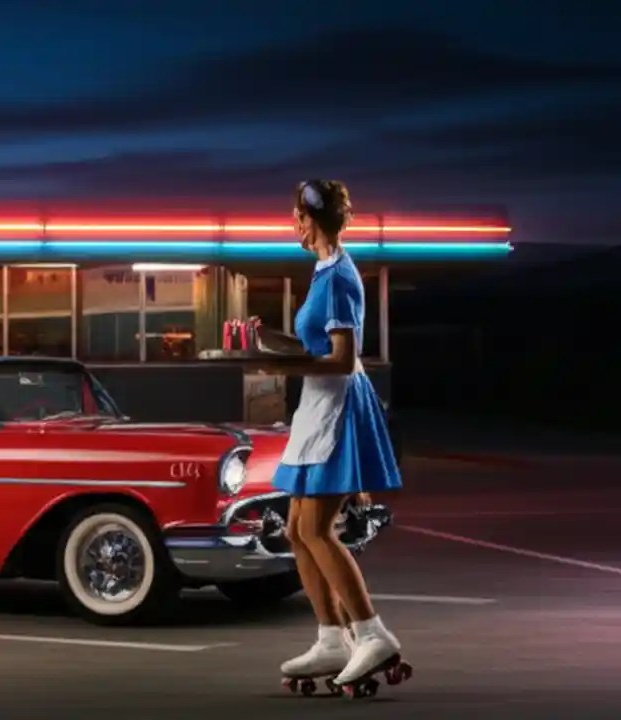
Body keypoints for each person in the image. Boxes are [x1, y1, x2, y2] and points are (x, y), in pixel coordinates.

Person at [246, 179, 403, 685]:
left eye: (295, 215)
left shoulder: (338, 277)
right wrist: (267, 341)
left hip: (338, 408)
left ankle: (372, 633)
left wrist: (278, 369)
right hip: (316, 406)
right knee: (297, 530)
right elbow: (315, 346)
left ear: (306, 219)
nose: (292, 223)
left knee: (316, 529)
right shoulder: (323, 271)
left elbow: (341, 359)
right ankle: (332, 639)